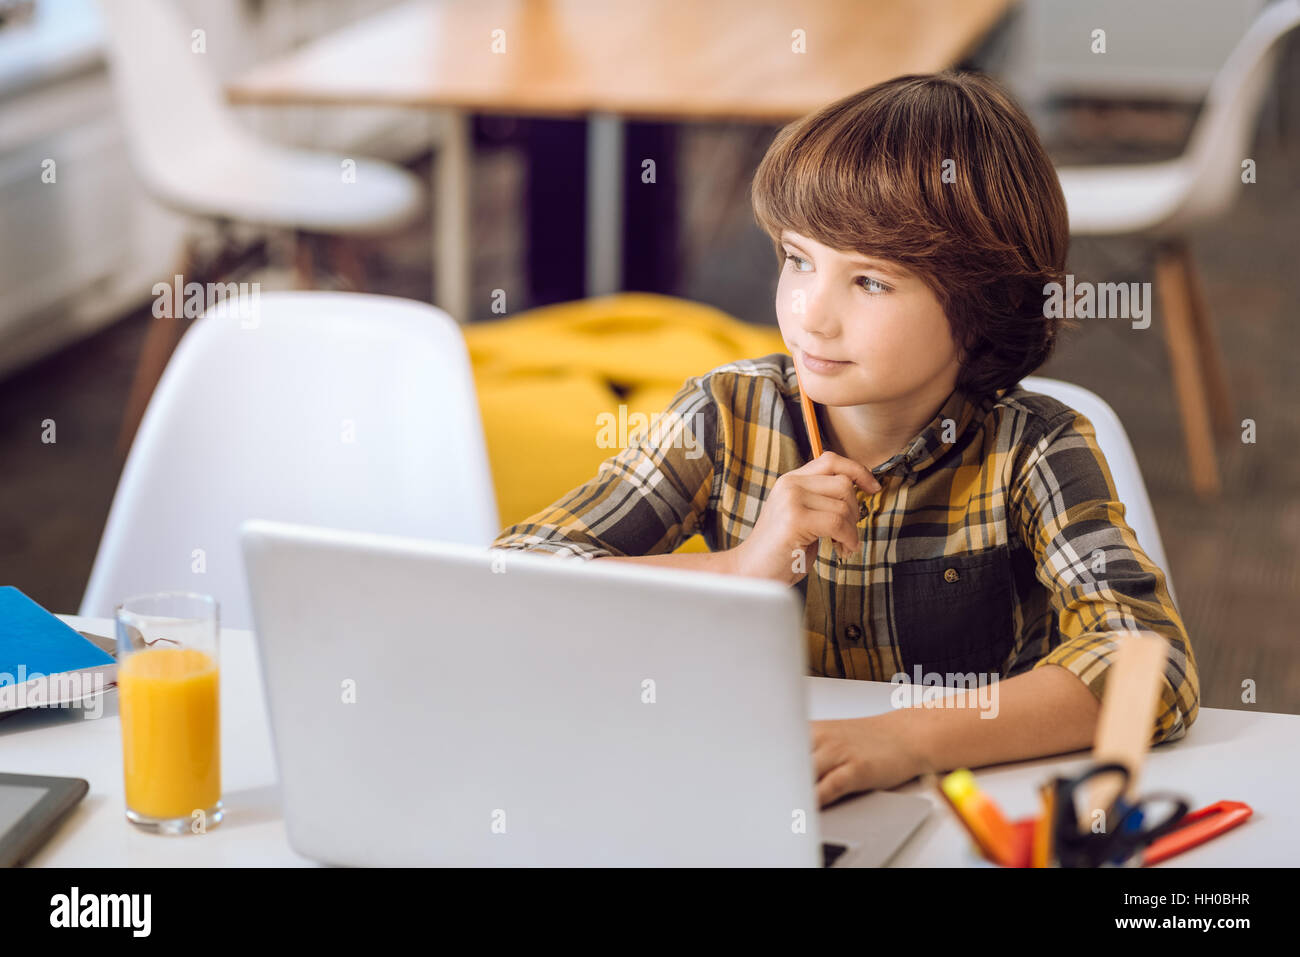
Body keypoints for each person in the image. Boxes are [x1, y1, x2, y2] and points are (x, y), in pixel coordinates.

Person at [492, 71, 1198, 807]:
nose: (810, 315)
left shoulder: (1036, 450)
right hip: (753, 788)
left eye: (870, 282)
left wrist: (906, 739)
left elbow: (1150, 667)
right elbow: (514, 581)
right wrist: (740, 570)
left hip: (963, 807)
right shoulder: (726, 414)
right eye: (799, 259)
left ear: (986, 305)